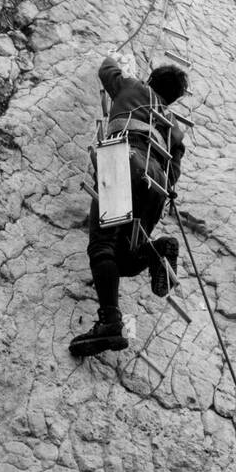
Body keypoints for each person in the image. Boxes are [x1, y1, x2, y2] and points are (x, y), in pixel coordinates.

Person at [69, 56, 188, 358]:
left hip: (122, 160)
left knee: (102, 246)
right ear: (173, 98)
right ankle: (157, 249)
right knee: (123, 257)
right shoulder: (174, 128)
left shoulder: (134, 88)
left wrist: (115, 57)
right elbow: (173, 174)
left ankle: (110, 323)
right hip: (156, 185)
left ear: (150, 81)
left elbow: (106, 71)